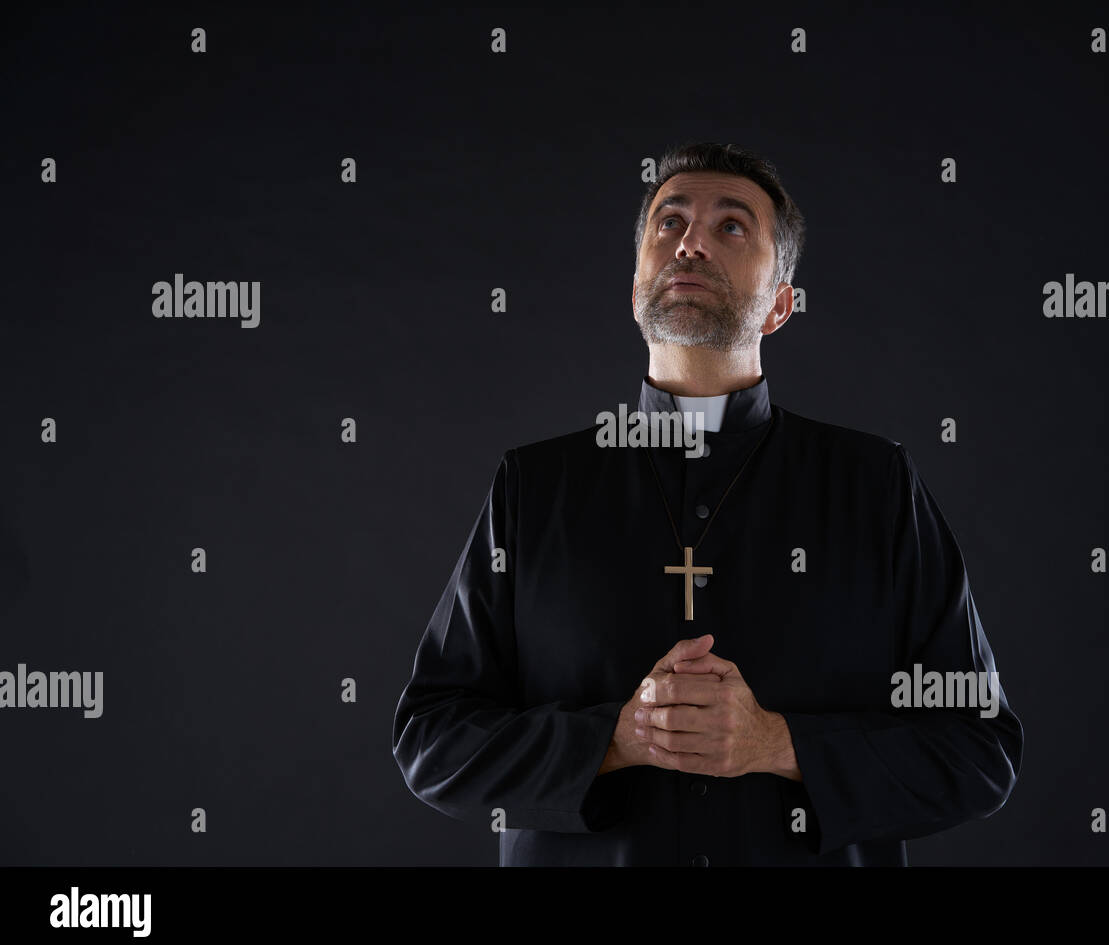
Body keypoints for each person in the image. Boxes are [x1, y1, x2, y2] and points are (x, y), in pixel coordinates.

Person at [392, 141, 1023, 865]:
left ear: (782, 305)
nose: (690, 241)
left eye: (731, 226)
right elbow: (431, 738)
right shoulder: (536, 487)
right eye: (669, 223)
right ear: (636, 291)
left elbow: (980, 748)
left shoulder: (873, 485)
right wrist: (616, 741)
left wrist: (777, 744)